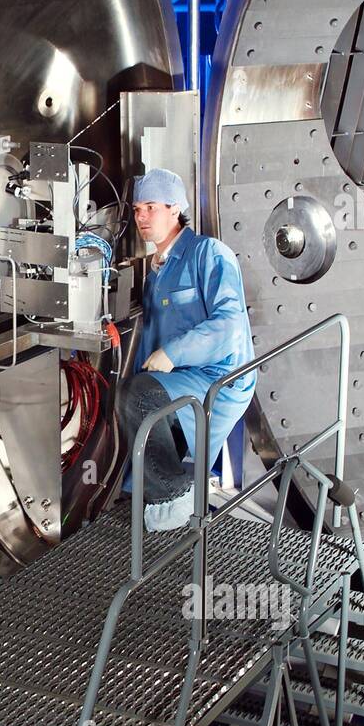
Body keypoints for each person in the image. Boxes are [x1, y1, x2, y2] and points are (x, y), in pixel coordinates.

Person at [122, 168, 257, 531]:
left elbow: (229, 325)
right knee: (128, 395)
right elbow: (151, 339)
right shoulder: (154, 270)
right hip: (183, 378)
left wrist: (173, 354)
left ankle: (174, 495)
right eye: (137, 209)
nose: (141, 217)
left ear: (175, 208)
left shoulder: (209, 253)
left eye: (151, 207)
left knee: (138, 398)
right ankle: (159, 491)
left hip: (221, 376)